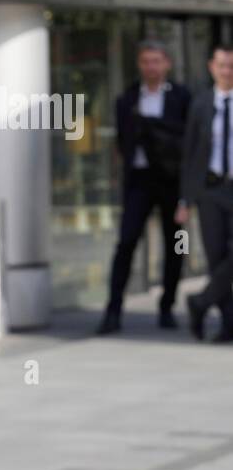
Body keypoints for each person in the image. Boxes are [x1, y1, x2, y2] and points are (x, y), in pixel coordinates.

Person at [97, 41, 191, 334]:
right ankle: (113, 310)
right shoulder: (127, 98)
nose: (151, 66)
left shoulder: (181, 97)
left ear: (167, 64)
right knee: (126, 243)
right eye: (145, 61)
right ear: (139, 64)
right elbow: (121, 142)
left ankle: (167, 307)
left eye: (156, 61)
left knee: (175, 245)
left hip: (171, 181)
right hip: (138, 179)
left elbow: (189, 143)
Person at [178, 44, 233, 342]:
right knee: (216, 257)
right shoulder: (200, 104)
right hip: (210, 190)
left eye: (231, 66)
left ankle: (200, 303)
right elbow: (190, 154)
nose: (227, 71)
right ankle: (228, 325)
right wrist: (185, 199)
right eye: (222, 65)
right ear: (212, 67)